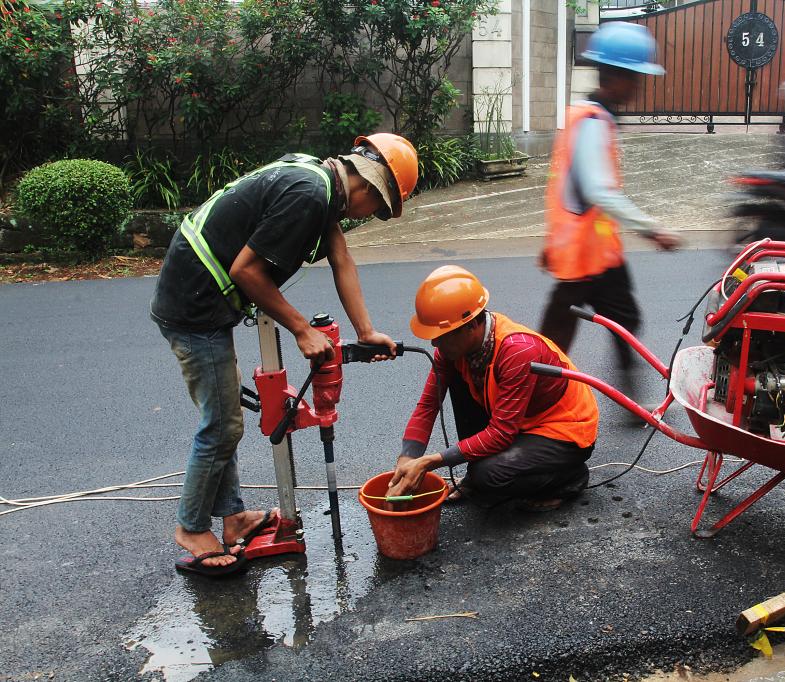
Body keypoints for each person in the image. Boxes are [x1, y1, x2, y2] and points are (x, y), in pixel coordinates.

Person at [151, 133, 418, 576]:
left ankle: (234, 517)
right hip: (192, 306)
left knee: (226, 417)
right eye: (380, 208)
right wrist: (300, 329)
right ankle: (191, 527)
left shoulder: (321, 185)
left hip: (202, 299)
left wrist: (366, 331)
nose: (373, 216)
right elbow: (246, 271)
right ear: (370, 189)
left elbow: (342, 259)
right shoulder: (310, 194)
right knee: (220, 424)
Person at [538, 21, 679, 408]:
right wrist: (652, 230)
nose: (638, 86)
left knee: (623, 320)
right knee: (557, 334)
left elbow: (564, 187)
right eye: (635, 78)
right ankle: (534, 398)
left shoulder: (593, 117)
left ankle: (628, 398)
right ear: (613, 76)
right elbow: (598, 191)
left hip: (599, 253)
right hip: (583, 256)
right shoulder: (593, 122)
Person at [387, 265, 599, 511]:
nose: (435, 342)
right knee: (458, 385)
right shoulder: (452, 349)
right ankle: (475, 476)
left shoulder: (517, 350)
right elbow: (428, 405)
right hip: (520, 421)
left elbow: (501, 433)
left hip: (564, 433)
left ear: (470, 326)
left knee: (488, 476)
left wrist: (429, 462)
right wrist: (407, 458)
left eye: (442, 335)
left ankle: (570, 478)